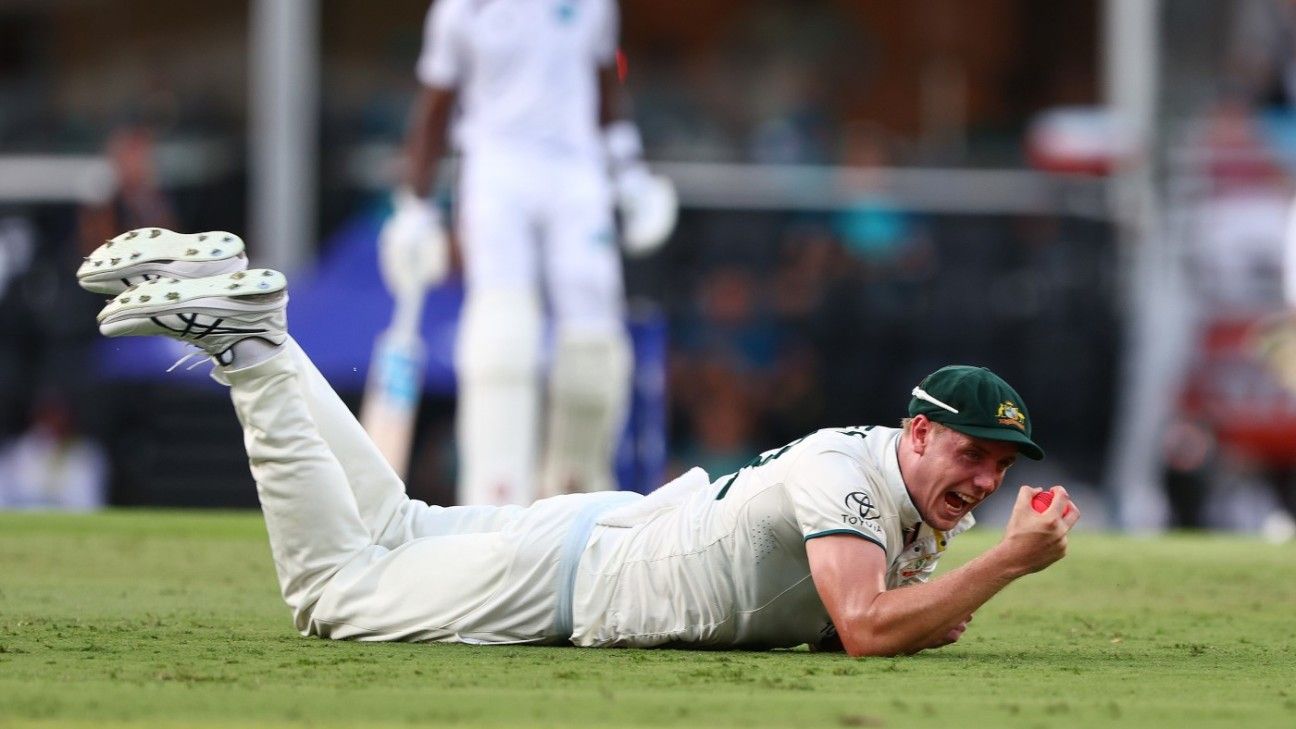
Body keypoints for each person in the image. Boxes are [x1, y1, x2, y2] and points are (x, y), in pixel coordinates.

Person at [77, 231, 1080, 655]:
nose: (986, 479)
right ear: (916, 432)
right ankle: (252, 351)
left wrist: (938, 593)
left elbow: (908, 615)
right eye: (971, 454)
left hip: (597, 535)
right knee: (332, 592)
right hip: (571, 579)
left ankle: (254, 311)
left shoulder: (881, 480)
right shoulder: (850, 475)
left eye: (1000, 467)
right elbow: (866, 627)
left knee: (392, 521)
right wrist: (1007, 563)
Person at [378, 0, 676, 506]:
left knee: (594, 333)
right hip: (496, 167)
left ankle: (578, 492)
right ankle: (496, 496)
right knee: (504, 333)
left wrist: (628, 171)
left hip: (576, 169)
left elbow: (604, 87)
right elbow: (435, 106)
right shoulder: (461, 10)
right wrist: (414, 205)